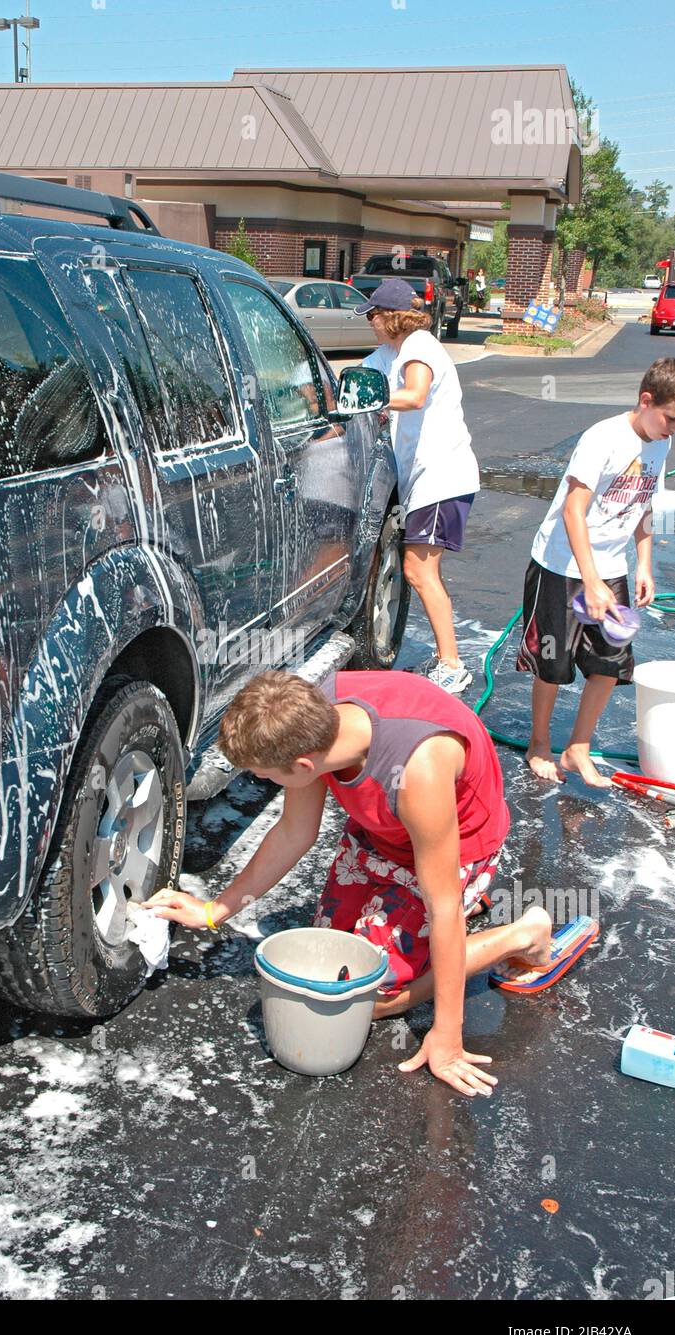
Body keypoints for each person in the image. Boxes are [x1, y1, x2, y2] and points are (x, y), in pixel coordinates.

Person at [141, 668, 594, 1099]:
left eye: (264, 776)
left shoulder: (418, 770)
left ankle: (523, 934)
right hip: (380, 830)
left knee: (366, 995)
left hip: (455, 842)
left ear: (302, 766)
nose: (260, 781)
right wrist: (214, 911)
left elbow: (442, 909)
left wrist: (448, 1037)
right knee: (326, 963)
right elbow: (294, 831)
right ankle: (444, 906)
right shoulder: (312, 717)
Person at [517, 356, 675, 786]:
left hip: (609, 568)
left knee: (611, 662)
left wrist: (643, 563)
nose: (674, 429)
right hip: (560, 565)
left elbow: (645, 505)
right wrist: (589, 581)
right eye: (670, 418)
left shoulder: (660, 443)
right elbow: (573, 511)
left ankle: (578, 747)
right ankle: (539, 743)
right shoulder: (602, 438)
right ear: (646, 400)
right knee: (552, 662)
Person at [355, 278, 480, 693]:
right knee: (423, 570)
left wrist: (371, 401)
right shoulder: (389, 354)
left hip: (442, 477)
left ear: (390, 316)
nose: (370, 323)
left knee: (418, 570)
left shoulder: (419, 346)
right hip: (426, 481)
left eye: (373, 315)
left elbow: (415, 396)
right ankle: (447, 659)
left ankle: (452, 665)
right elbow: (354, 382)